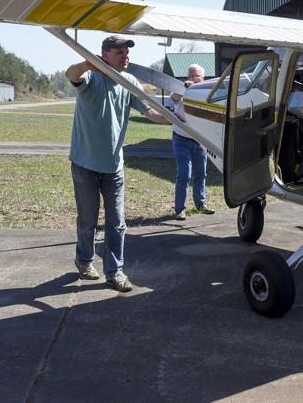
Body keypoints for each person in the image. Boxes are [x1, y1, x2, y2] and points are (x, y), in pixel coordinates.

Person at [65, 35, 168, 292]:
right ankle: (85, 260)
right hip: (85, 163)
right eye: (120, 52)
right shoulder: (90, 78)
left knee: (117, 222)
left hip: (114, 167)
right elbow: (71, 73)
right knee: (88, 219)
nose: (126, 57)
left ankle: (115, 272)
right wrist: (89, 64)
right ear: (105, 55)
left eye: (127, 52)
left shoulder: (129, 82)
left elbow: (151, 112)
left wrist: (180, 118)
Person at [170, 64, 215, 221]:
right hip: (181, 140)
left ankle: (200, 205)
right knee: (184, 174)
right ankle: (179, 209)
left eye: (196, 76)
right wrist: (184, 88)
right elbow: (175, 98)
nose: (192, 78)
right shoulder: (181, 90)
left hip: (200, 141)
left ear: (203, 78)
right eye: (190, 75)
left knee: (201, 174)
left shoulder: (207, 93)